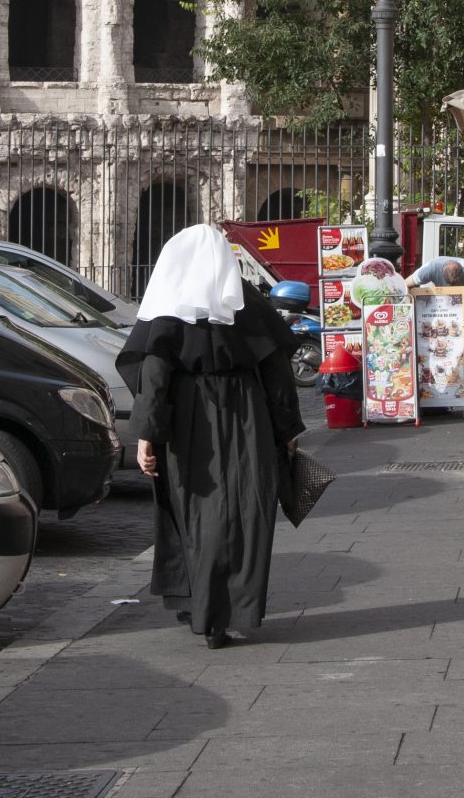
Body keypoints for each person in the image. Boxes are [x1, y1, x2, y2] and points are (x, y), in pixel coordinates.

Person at [119, 225, 305, 649]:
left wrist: (147, 435)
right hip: (247, 415)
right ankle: (232, 609)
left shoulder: (169, 307)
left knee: (197, 513)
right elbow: (277, 372)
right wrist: (287, 430)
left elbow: (154, 377)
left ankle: (202, 609)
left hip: (189, 420)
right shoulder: (247, 301)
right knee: (245, 511)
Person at [405, 256, 464, 412]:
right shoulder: (430, 268)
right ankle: (439, 396)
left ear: (461, 274)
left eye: (455, 283)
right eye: (449, 283)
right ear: (441, 273)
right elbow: (407, 284)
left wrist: (456, 318)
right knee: (433, 343)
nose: (452, 285)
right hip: (444, 302)